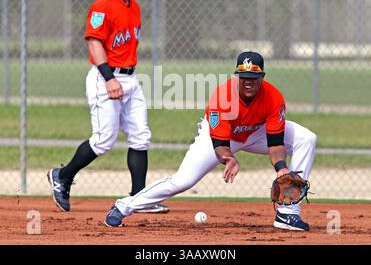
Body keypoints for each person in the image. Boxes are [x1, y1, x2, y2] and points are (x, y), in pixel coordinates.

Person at [104, 51, 317, 231]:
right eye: (244, 77)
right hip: (221, 139)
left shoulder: (274, 98)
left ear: (262, 77)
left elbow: (276, 142)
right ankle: (123, 206)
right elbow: (220, 144)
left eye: (253, 77)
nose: (248, 82)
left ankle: (288, 213)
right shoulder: (223, 97)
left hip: (256, 132)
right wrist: (228, 159)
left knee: (307, 138)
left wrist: (281, 168)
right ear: (237, 76)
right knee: (183, 180)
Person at [47, 0, 168, 214]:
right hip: (107, 77)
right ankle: (63, 176)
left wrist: (123, 79)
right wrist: (109, 78)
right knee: (103, 141)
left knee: (141, 137)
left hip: (131, 79)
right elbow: (94, 43)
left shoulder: (134, 6)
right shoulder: (102, 6)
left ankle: (139, 197)